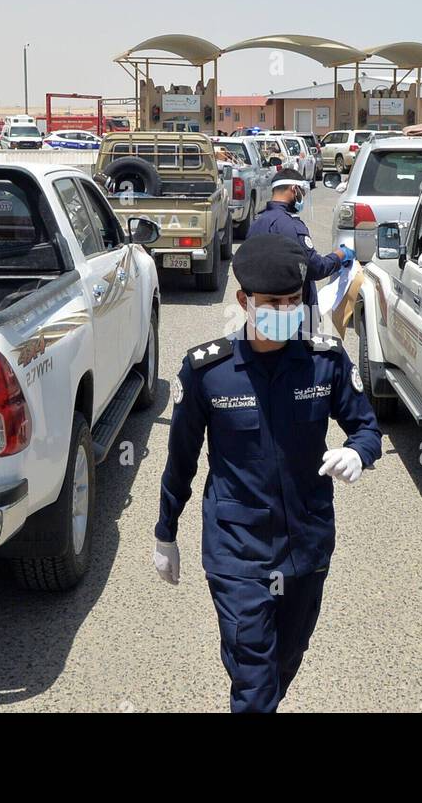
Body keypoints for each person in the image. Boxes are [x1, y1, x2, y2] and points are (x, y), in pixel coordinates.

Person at [154, 233, 382, 713]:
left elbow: (365, 426)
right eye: (274, 302)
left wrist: (359, 453)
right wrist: (165, 534)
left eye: (294, 301)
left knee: (285, 659)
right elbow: (181, 460)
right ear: (244, 301)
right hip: (239, 551)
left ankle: (252, 677)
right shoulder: (207, 372)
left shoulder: (325, 360)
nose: (287, 310)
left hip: (308, 542)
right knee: (256, 683)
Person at [249, 168, 352, 325]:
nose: (302, 197)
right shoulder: (292, 226)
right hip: (294, 315)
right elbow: (314, 268)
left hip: (261, 312)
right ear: (294, 189)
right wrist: (340, 255)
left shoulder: (256, 224)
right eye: (302, 193)